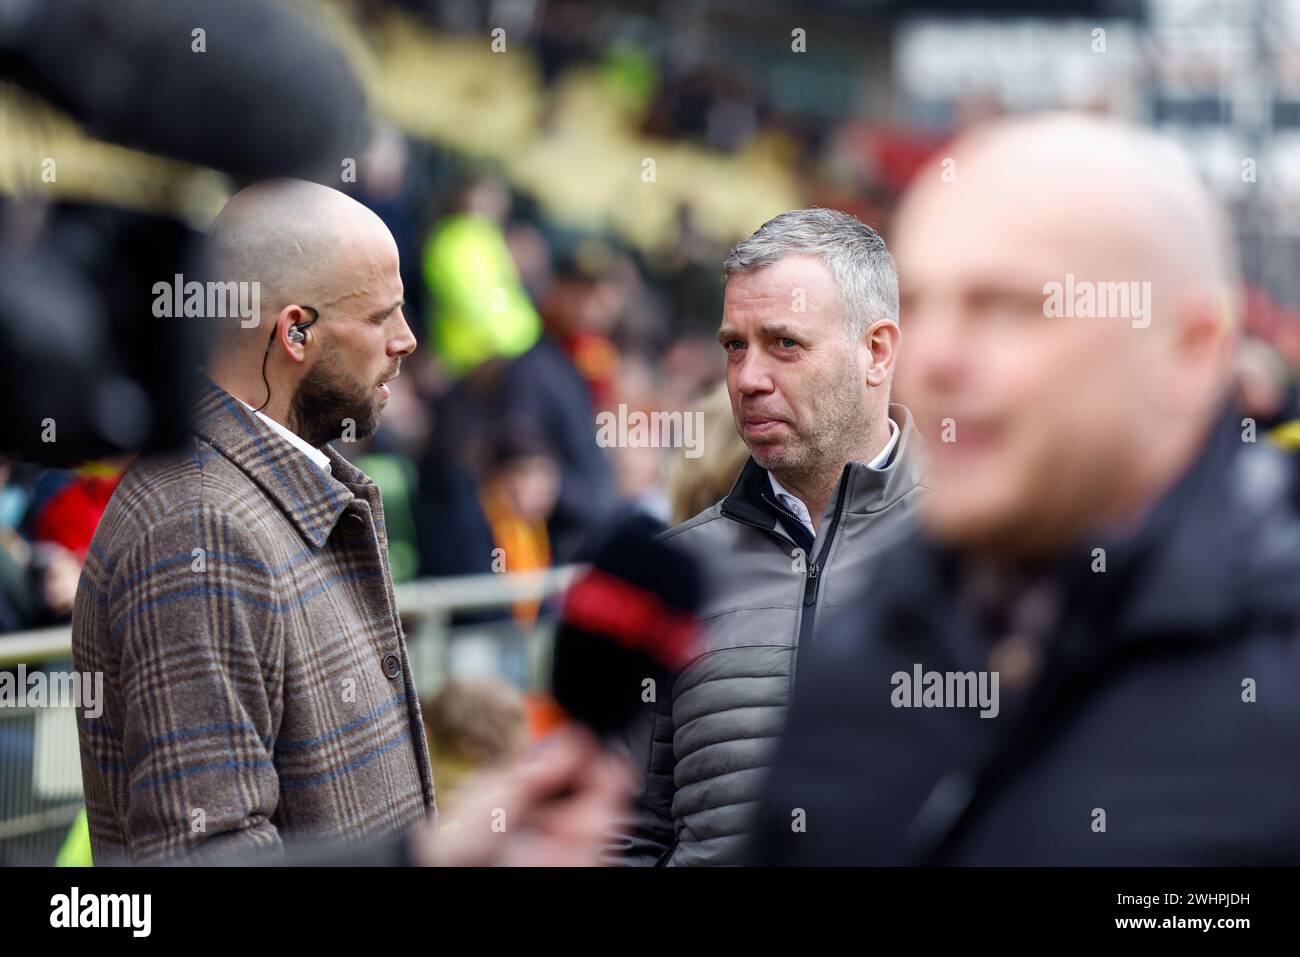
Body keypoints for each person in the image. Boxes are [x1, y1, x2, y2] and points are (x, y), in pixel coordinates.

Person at [749, 114, 1300, 866]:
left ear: (1191, 349)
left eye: (1005, 306)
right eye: (919, 305)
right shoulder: (857, 653)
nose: (933, 360)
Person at [613, 208, 929, 866]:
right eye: (734, 345)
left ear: (876, 351)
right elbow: (621, 834)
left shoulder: (988, 558)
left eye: (784, 343)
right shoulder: (670, 572)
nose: (748, 377)